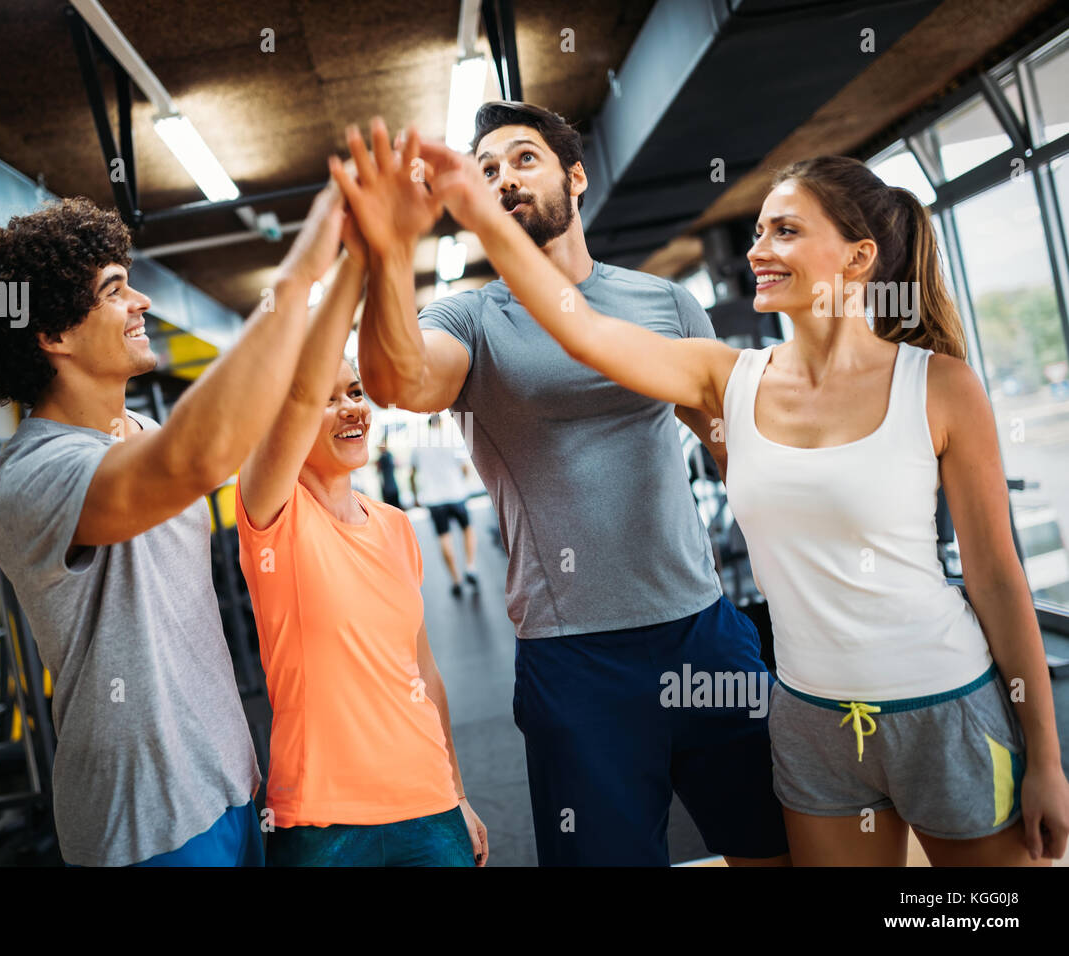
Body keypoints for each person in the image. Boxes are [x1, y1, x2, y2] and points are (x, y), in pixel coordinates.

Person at [414, 142, 1069, 865]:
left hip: (944, 703)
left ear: (857, 258)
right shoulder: (725, 376)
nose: (758, 248)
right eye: (759, 230)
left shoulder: (941, 386)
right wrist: (483, 211)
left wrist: (1046, 758)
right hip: (810, 719)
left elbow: (999, 580)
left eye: (785, 231)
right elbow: (583, 328)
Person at [334, 105, 789, 866]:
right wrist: (388, 250)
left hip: (703, 633)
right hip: (577, 663)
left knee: (774, 848)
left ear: (575, 178)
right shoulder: (472, 317)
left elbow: (731, 452)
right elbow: (398, 380)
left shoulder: (666, 303)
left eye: (523, 159)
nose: (504, 178)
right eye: (484, 171)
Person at [0, 185, 350, 866]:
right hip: (144, 824)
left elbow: (279, 408)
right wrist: (299, 270)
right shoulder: (32, 475)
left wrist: (358, 261)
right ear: (53, 335)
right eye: (114, 290)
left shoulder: (142, 430)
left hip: (228, 782)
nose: (140, 302)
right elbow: (198, 456)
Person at [234, 206, 487, 867]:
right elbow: (292, 404)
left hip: (428, 804)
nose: (351, 407)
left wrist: (457, 791)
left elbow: (424, 674)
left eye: (356, 392)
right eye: (328, 395)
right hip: (324, 823)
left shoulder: (397, 527)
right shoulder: (272, 515)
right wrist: (359, 259)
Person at [409, 414, 479, 596]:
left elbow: (412, 473)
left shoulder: (419, 444)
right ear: (441, 422)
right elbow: (464, 467)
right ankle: (470, 567)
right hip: (456, 493)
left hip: (434, 499)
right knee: (467, 529)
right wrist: (461, 481)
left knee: (444, 537)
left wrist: (416, 495)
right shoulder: (452, 439)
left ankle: (456, 579)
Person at [375, 438, 402, 509]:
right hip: (391, 486)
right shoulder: (389, 455)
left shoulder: (384, 457)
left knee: (391, 509)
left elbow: (378, 470)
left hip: (388, 488)